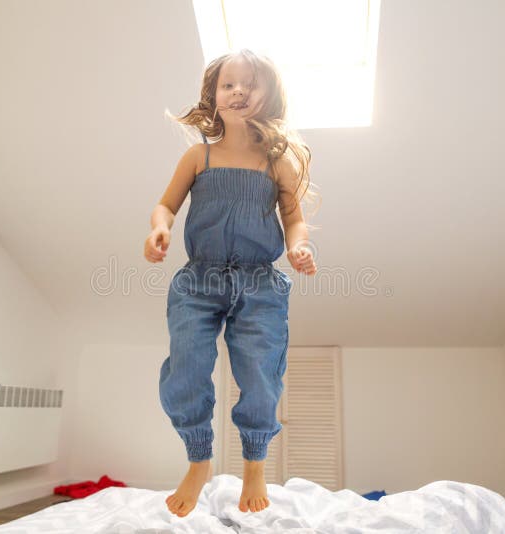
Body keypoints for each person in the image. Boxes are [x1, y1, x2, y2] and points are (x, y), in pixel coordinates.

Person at [144, 49, 319, 518]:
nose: (239, 91)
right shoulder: (197, 156)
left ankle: (254, 463)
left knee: (261, 372)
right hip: (199, 280)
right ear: (213, 97)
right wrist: (159, 229)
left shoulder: (277, 163)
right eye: (228, 85)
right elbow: (166, 206)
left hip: (260, 283)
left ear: (269, 95)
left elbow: (294, 220)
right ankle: (198, 459)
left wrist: (300, 248)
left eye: (250, 84)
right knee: (186, 365)